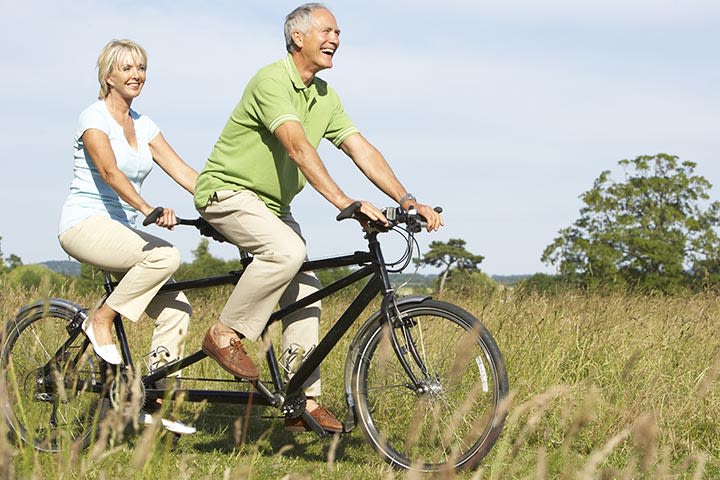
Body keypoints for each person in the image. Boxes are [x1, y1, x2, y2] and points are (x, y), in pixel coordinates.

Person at [194, 3, 443, 433]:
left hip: (274, 206)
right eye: (327, 31)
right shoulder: (272, 80)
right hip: (227, 192)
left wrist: (406, 198)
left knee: (307, 288)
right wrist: (345, 200)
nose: (335, 39)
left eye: (339, 32)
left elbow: (359, 147)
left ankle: (300, 401)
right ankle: (223, 333)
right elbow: (297, 147)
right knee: (286, 251)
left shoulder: (325, 95)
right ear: (298, 37)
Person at [58, 39, 198, 435]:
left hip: (121, 230)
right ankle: (100, 320)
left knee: (177, 309)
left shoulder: (145, 124)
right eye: (127, 68)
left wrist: (223, 204)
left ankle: (149, 400)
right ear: (108, 76)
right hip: (84, 223)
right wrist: (147, 208)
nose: (136, 74)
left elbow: (184, 172)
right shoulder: (93, 117)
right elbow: (109, 172)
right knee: (165, 256)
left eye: (140, 68)